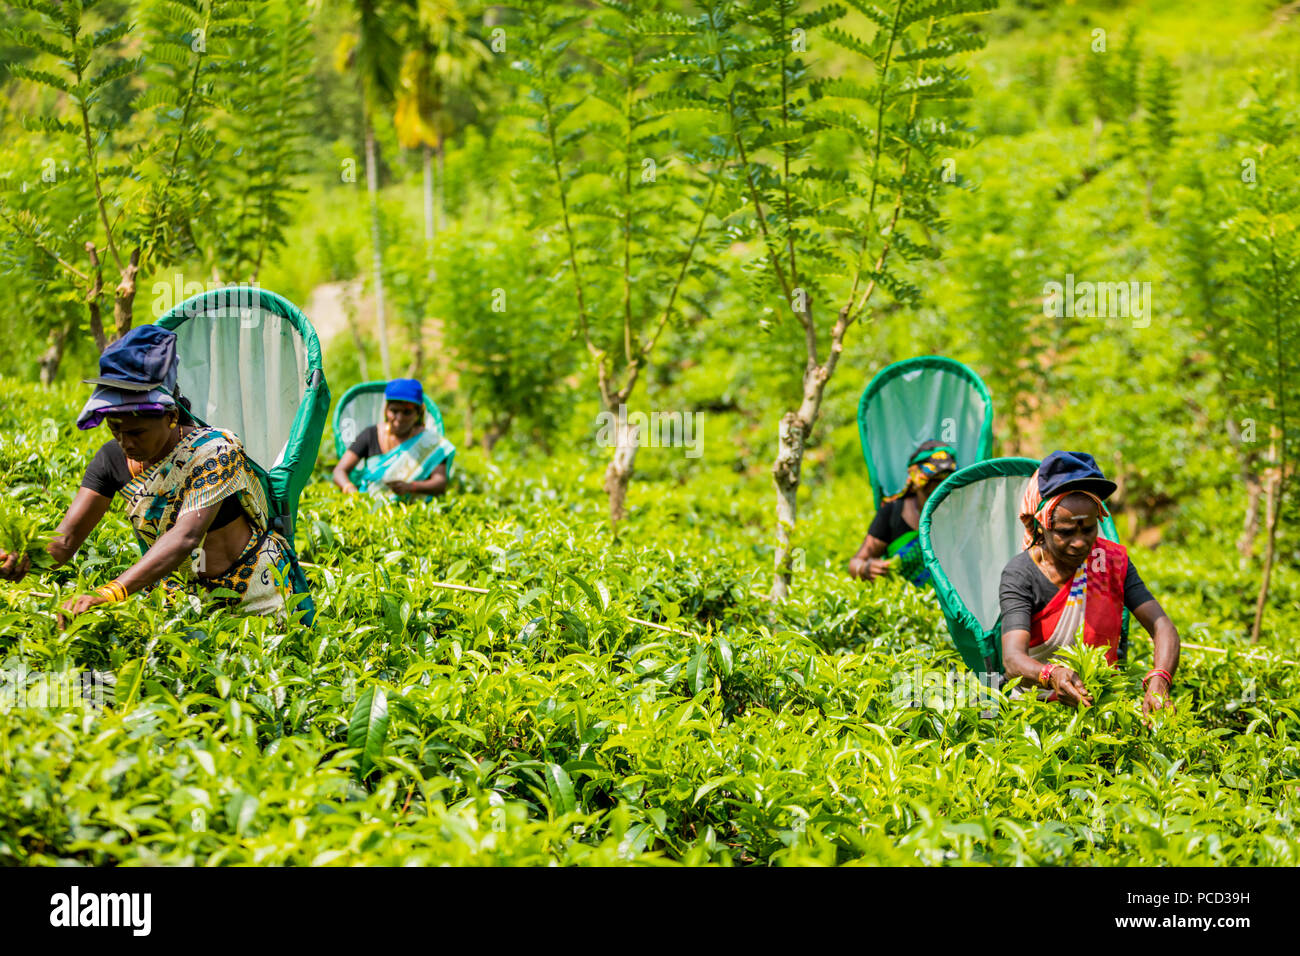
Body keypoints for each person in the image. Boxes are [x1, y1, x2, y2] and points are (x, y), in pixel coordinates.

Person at [0, 326, 312, 624]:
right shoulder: (112, 460)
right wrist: (22, 557)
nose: (126, 443)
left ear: (171, 416)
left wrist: (108, 593)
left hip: (254, 595)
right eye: (115, 430)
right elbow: (65, 541)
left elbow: (184, 537)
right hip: (181, 601)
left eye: (137, 432)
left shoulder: (215, 452)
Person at [998, 451, 1179, 716]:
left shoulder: (1112, 562)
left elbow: (1162, 626)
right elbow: (1012, 660)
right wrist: (1052, 674)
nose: (1080, 542)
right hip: (1035, 712)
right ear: (1042, 527)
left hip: (1103, 707)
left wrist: (1159, 681)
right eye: (1066, 532)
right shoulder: (1021, 574)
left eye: (1088, 529)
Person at [849, 441, 958, 586]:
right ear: (915, 478)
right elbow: (855, 562)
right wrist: (865, 568)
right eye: (933, 479)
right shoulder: (893, 512)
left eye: (946, 479)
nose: (940, 486)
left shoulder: (960, 513)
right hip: (905, 603)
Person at [331, 378, 453, 501]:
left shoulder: (430, 442)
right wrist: (352, 492)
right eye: (394, 411)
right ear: (386, 410)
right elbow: (340, 471)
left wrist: (411, 487)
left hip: (411, 509)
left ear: (418, 413)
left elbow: (440, 483)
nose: (399, 418)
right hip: (368, 503)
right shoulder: (371, 434)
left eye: (407, 412)